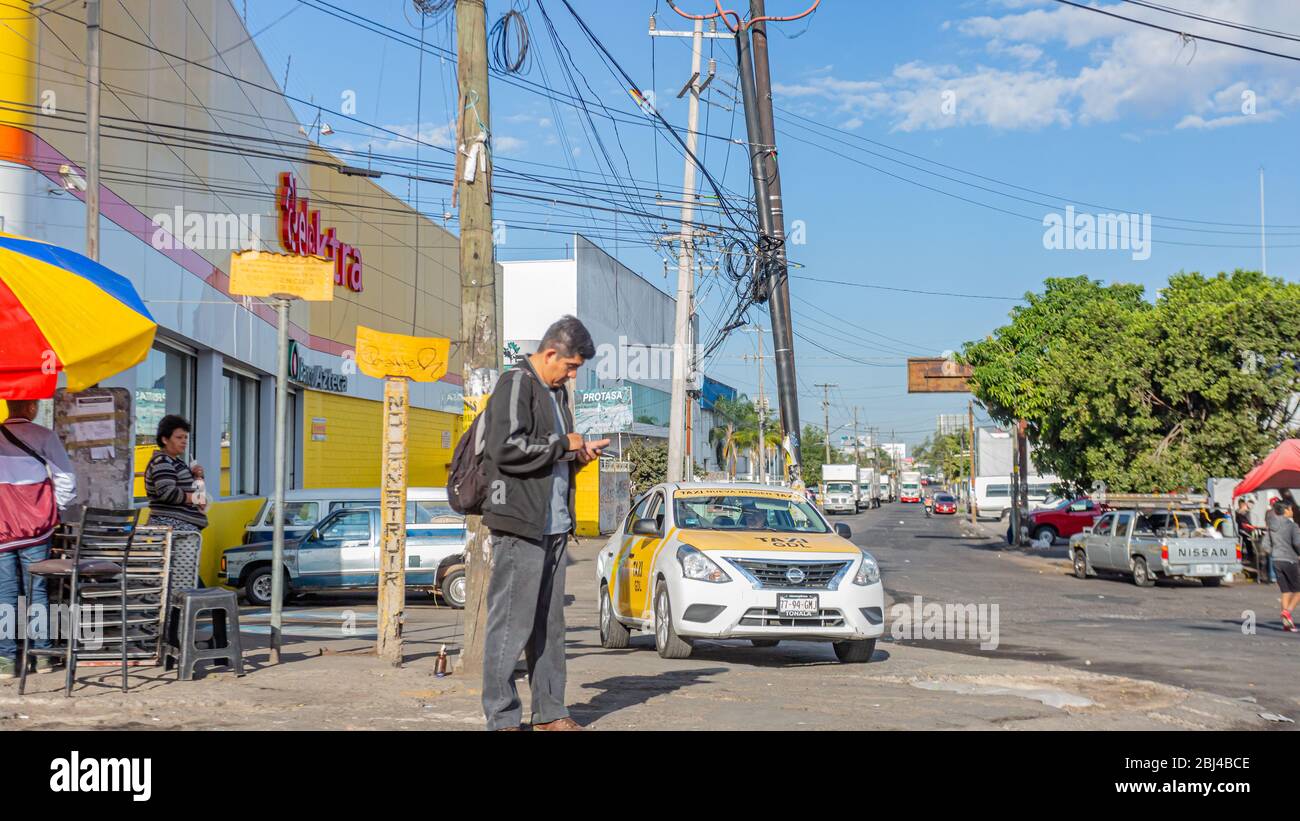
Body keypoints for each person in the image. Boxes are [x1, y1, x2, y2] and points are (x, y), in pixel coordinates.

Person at [480, 316, 608, 732]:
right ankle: (501, 718)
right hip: (520, 523)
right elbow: (506, 449)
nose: (572, 375)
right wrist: (561, 445)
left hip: (553, 525)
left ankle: (551, 713)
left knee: (550, 627)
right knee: (510, 626)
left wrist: (578, 453)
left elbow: (551, 453)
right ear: (550, 353)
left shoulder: (557, 394)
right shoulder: (515, 383)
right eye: (570, 366)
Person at [0, 399, 77, 678]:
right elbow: (66, 479)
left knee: (5, 593)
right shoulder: (45, 436)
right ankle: (43, 657)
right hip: (38, 526)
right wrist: (57, 508)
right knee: (38, 590)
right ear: (32, 407)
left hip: (3, 527)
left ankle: (6, 662)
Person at [143, 415, 208, 533]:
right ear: (165, 439)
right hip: (171, 527)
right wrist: (195, 498)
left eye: (185, 437)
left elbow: (201, 500)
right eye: (179, 437)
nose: (184, 441)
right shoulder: (162, 461)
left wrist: (198, 477)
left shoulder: (177, 462)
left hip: (183, 528)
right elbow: (167, 493)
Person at [1267, 499, 1300, 632]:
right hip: (1290, 560)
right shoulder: (1292, 526)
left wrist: (1274, 552)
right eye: (1291, 509)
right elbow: (1297, 543)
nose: (1292, 511)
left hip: (1276, 560)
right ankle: (1288, 612)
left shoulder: (1271, 526)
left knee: (1285, 591)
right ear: (1285, 510)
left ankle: (1286, 624)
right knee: (1298, 590)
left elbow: (1265, 545)